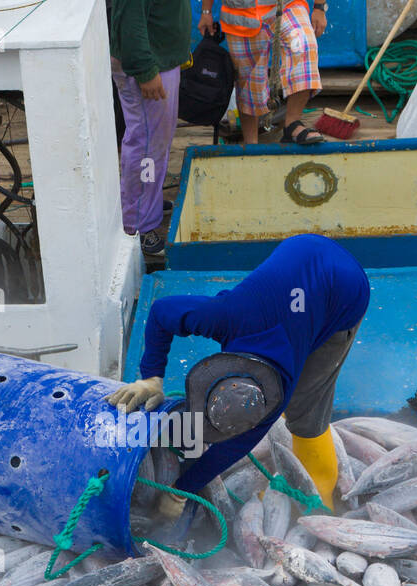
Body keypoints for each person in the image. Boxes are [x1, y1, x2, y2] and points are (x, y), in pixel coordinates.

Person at [107, 233, 368, 512]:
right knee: (295, 323)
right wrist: (151, 378)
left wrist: (179, 493)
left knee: (305, 416)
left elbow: (230, 450)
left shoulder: (282, 390)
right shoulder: (226, 315)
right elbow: (160, 312)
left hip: (346, 290)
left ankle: (318, 499)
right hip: (302, 250)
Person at [109, 0, 192, 258]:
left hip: (160, 61)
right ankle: (137, 225)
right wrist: (145, 70)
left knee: (156, 143)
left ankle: (149, 205)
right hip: (148, 66)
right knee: (146, 147)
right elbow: (131, 19)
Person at [200, 0, 328, 145]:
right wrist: (206, 12)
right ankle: (251, 144)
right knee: (248, 84)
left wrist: (319, 7)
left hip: (287, 6)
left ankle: (292, 125)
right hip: (241, 17)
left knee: (305, 47)